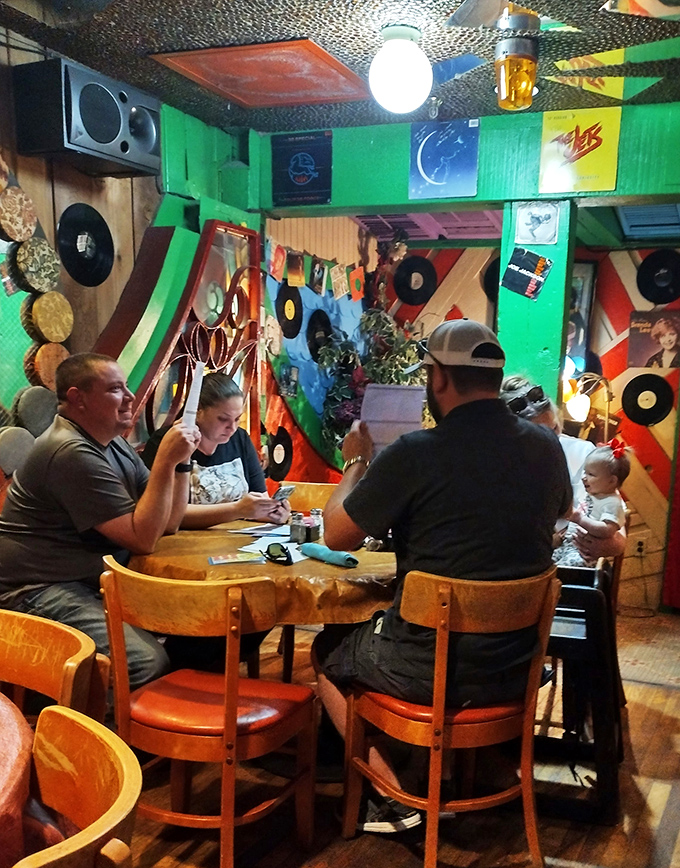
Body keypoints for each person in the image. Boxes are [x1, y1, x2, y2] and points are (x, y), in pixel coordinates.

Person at [313, 319, 572, 834]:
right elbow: (561, 513)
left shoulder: (415, 452)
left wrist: (355, 464)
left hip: (431, 670)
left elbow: (337, 535)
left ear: (440, 380)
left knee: (328, 653)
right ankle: (476, 767)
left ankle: (393, 795)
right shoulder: (546, 447)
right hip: (518, 664)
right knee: (393, 641)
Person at [0, 353, 200, 689]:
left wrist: (180, 464)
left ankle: (157, 724)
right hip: (34, 589)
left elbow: (168, 522)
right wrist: (165, 460)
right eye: (115, 389)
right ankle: (83, 735)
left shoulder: (112, 445)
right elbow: (142, 538)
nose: (130, 397)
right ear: (78, 398)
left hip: (85, 580)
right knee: (143, 662)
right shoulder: (69, 451)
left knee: (193, 623)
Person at [500, 375, 627, 562]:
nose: (551, 442)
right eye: (539, 436)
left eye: (554, 431)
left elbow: (619, 540)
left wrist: (604, 544)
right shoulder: (497, 465)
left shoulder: (586, 455)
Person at [142, 372, 289, 527]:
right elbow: (166, 514)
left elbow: (259, 499)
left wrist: (273, 513)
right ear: (198, 411)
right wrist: (237, 510)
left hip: (236, 542)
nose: (231, 427)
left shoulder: (240, 438)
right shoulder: (168, 442)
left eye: (237, 419)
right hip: (184, 545)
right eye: (223, 419)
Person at [553, 441, 630, 568]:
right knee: (548, 566)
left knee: (567, 567)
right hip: (566, 545)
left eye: (590, 474)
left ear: (612, 481)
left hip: (581, 553)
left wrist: (579, 519)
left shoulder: (612, 502)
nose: (584, 477)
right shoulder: (594, 494)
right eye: (585, 472)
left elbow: (609, 530)